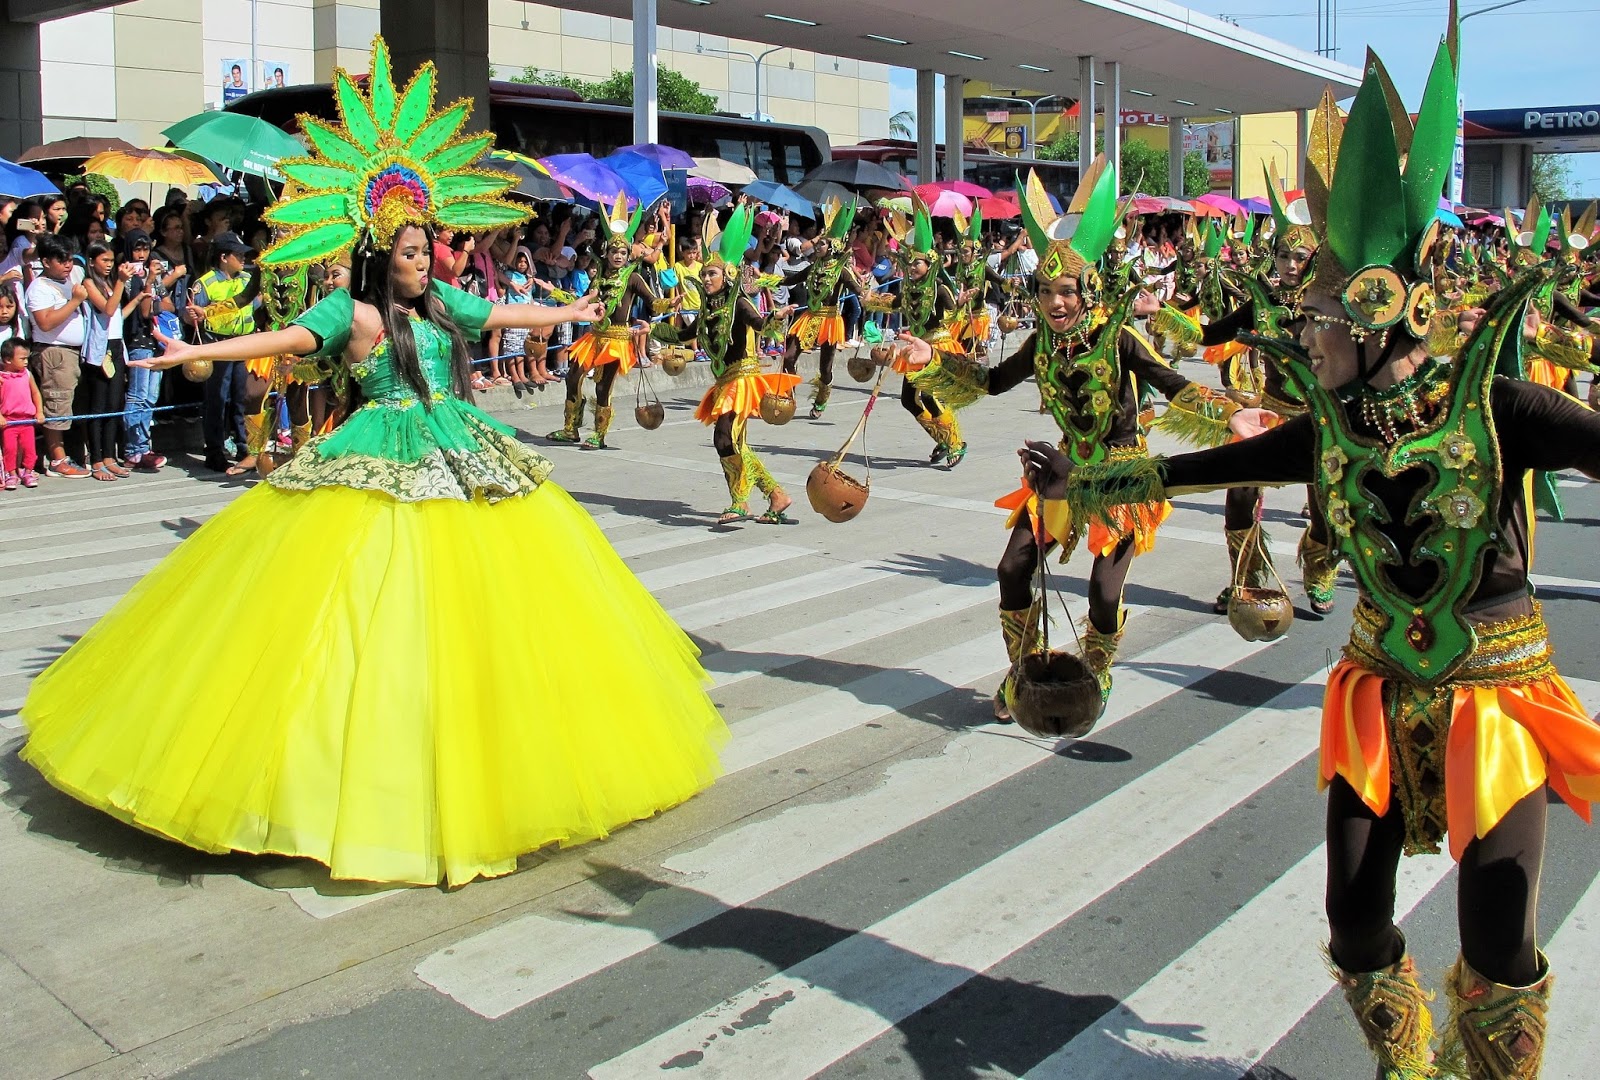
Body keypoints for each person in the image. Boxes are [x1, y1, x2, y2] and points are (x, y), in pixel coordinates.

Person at [20, 36, 728, 889]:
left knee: (481, 618)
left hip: (461, 449)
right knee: (354, 612)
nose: (423, 261)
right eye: (408, 253)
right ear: (376, 254)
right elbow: (279, 339)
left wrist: (573, 308)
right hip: (372, 455)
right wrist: (181, 355)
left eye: (428, 250)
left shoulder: (444, 306)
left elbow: (506, 317)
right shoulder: (350, 313)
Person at [1028, 20, 1596, 1075]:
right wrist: (1079, 482)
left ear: (1382, 312)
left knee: (1497, 940)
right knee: (1352, 923)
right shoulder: (1324, 426)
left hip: (1496, 704)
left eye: (1323, 321)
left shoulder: (1505, 407)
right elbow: (1185, 473)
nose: (1308, 337)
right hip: (1378, 694)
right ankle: (1407, 1063)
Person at [903, 159, 1273, 720]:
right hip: (1062, 473)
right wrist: (935, 360)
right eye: (1046, 290)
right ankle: (1024, 673)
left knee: (1103, 590)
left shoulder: (1118, 339)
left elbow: (1174, 386)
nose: (1055, 302)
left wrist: (1230, 418)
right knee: (1011, 570)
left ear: (1088, 290)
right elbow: (989, 382)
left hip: (1121, 478)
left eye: (1066, 292)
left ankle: (1095, 675)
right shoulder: (1041, 345)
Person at [678, 206, 799, 524]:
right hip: (724, 383)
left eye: (711, 274)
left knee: (724, 437)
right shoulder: (709, 308)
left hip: (743, 380)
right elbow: (685, 333)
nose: (705, 278)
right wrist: (659, 336)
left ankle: (741, 501)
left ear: (727, 275)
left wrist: (777, 317)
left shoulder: (739, 302)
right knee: (732, 441)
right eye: (704, 274)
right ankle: (775, 495)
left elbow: (759, 323)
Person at [548, 195, 659, 449]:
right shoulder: (598, 277)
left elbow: (653, 302)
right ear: (606, 253)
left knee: (602, 387)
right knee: (573, 375)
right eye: (614, 252)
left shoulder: (633, 277)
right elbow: (583, 300)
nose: (618, 256)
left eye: (622, 252)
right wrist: (554, 291)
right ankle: (570, 428)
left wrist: (670, 305)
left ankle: (599, 434)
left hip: (617, 340)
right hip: (594, 336)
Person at [781, 198, 867, 418]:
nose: (817, 246)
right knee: (789, 357)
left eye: (822, 244)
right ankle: (787, 395)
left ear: (832, 247)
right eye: (817, 243)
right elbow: (791, 279)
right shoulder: (813, 267)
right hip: (810, 317)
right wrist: (766, 280)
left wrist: (866, 295)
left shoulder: (841, 271)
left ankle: (821, 399)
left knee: (825, 368)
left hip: (829, 320)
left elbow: (856, 289)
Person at [187, 230, 259, 472]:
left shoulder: (248, 280)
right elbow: (191, 316)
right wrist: (193, 315)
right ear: (224, 257)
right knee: (217, 398)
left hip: (244, 343)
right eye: (239, 255)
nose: (244, 259)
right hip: (217, 344)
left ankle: (244, 446)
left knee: (243, 397)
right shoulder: (205, 283)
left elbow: (257, 306)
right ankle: (215, 449)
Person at [25, 234, 91, 478]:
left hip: (73, 354)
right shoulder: (39, 288)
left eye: (70, 259)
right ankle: (57, 460)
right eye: (61, 260)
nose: (67, 265)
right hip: (54, 353)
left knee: (67, 405)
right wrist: (74, 301)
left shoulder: (69, 279)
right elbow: (44, 322)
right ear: (45, 261)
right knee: (56, 405)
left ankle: (68, 454)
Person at [79, 240, 134, 480]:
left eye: (112, 261)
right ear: (92, 261)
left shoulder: (111, 283)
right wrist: (121, 281)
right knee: (98, 406)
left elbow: (118, 315)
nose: (109, 265)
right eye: (105, 261)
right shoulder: (89, 283)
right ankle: (97, 459)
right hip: (99, 349)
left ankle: (110, 456)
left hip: (116, 344)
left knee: (115, 405)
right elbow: (108, 309)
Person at [1, 338, 43, 490]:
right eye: (22, 358)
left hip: (27, 421)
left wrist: (39, 411)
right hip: (9, 422)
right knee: (10, 449)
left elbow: (36, 394)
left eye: (27, 358)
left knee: (29, 448)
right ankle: (11, 473)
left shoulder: (27, 374)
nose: (26, 362)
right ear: (7, 359)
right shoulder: (1, 378)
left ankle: (28, 472)